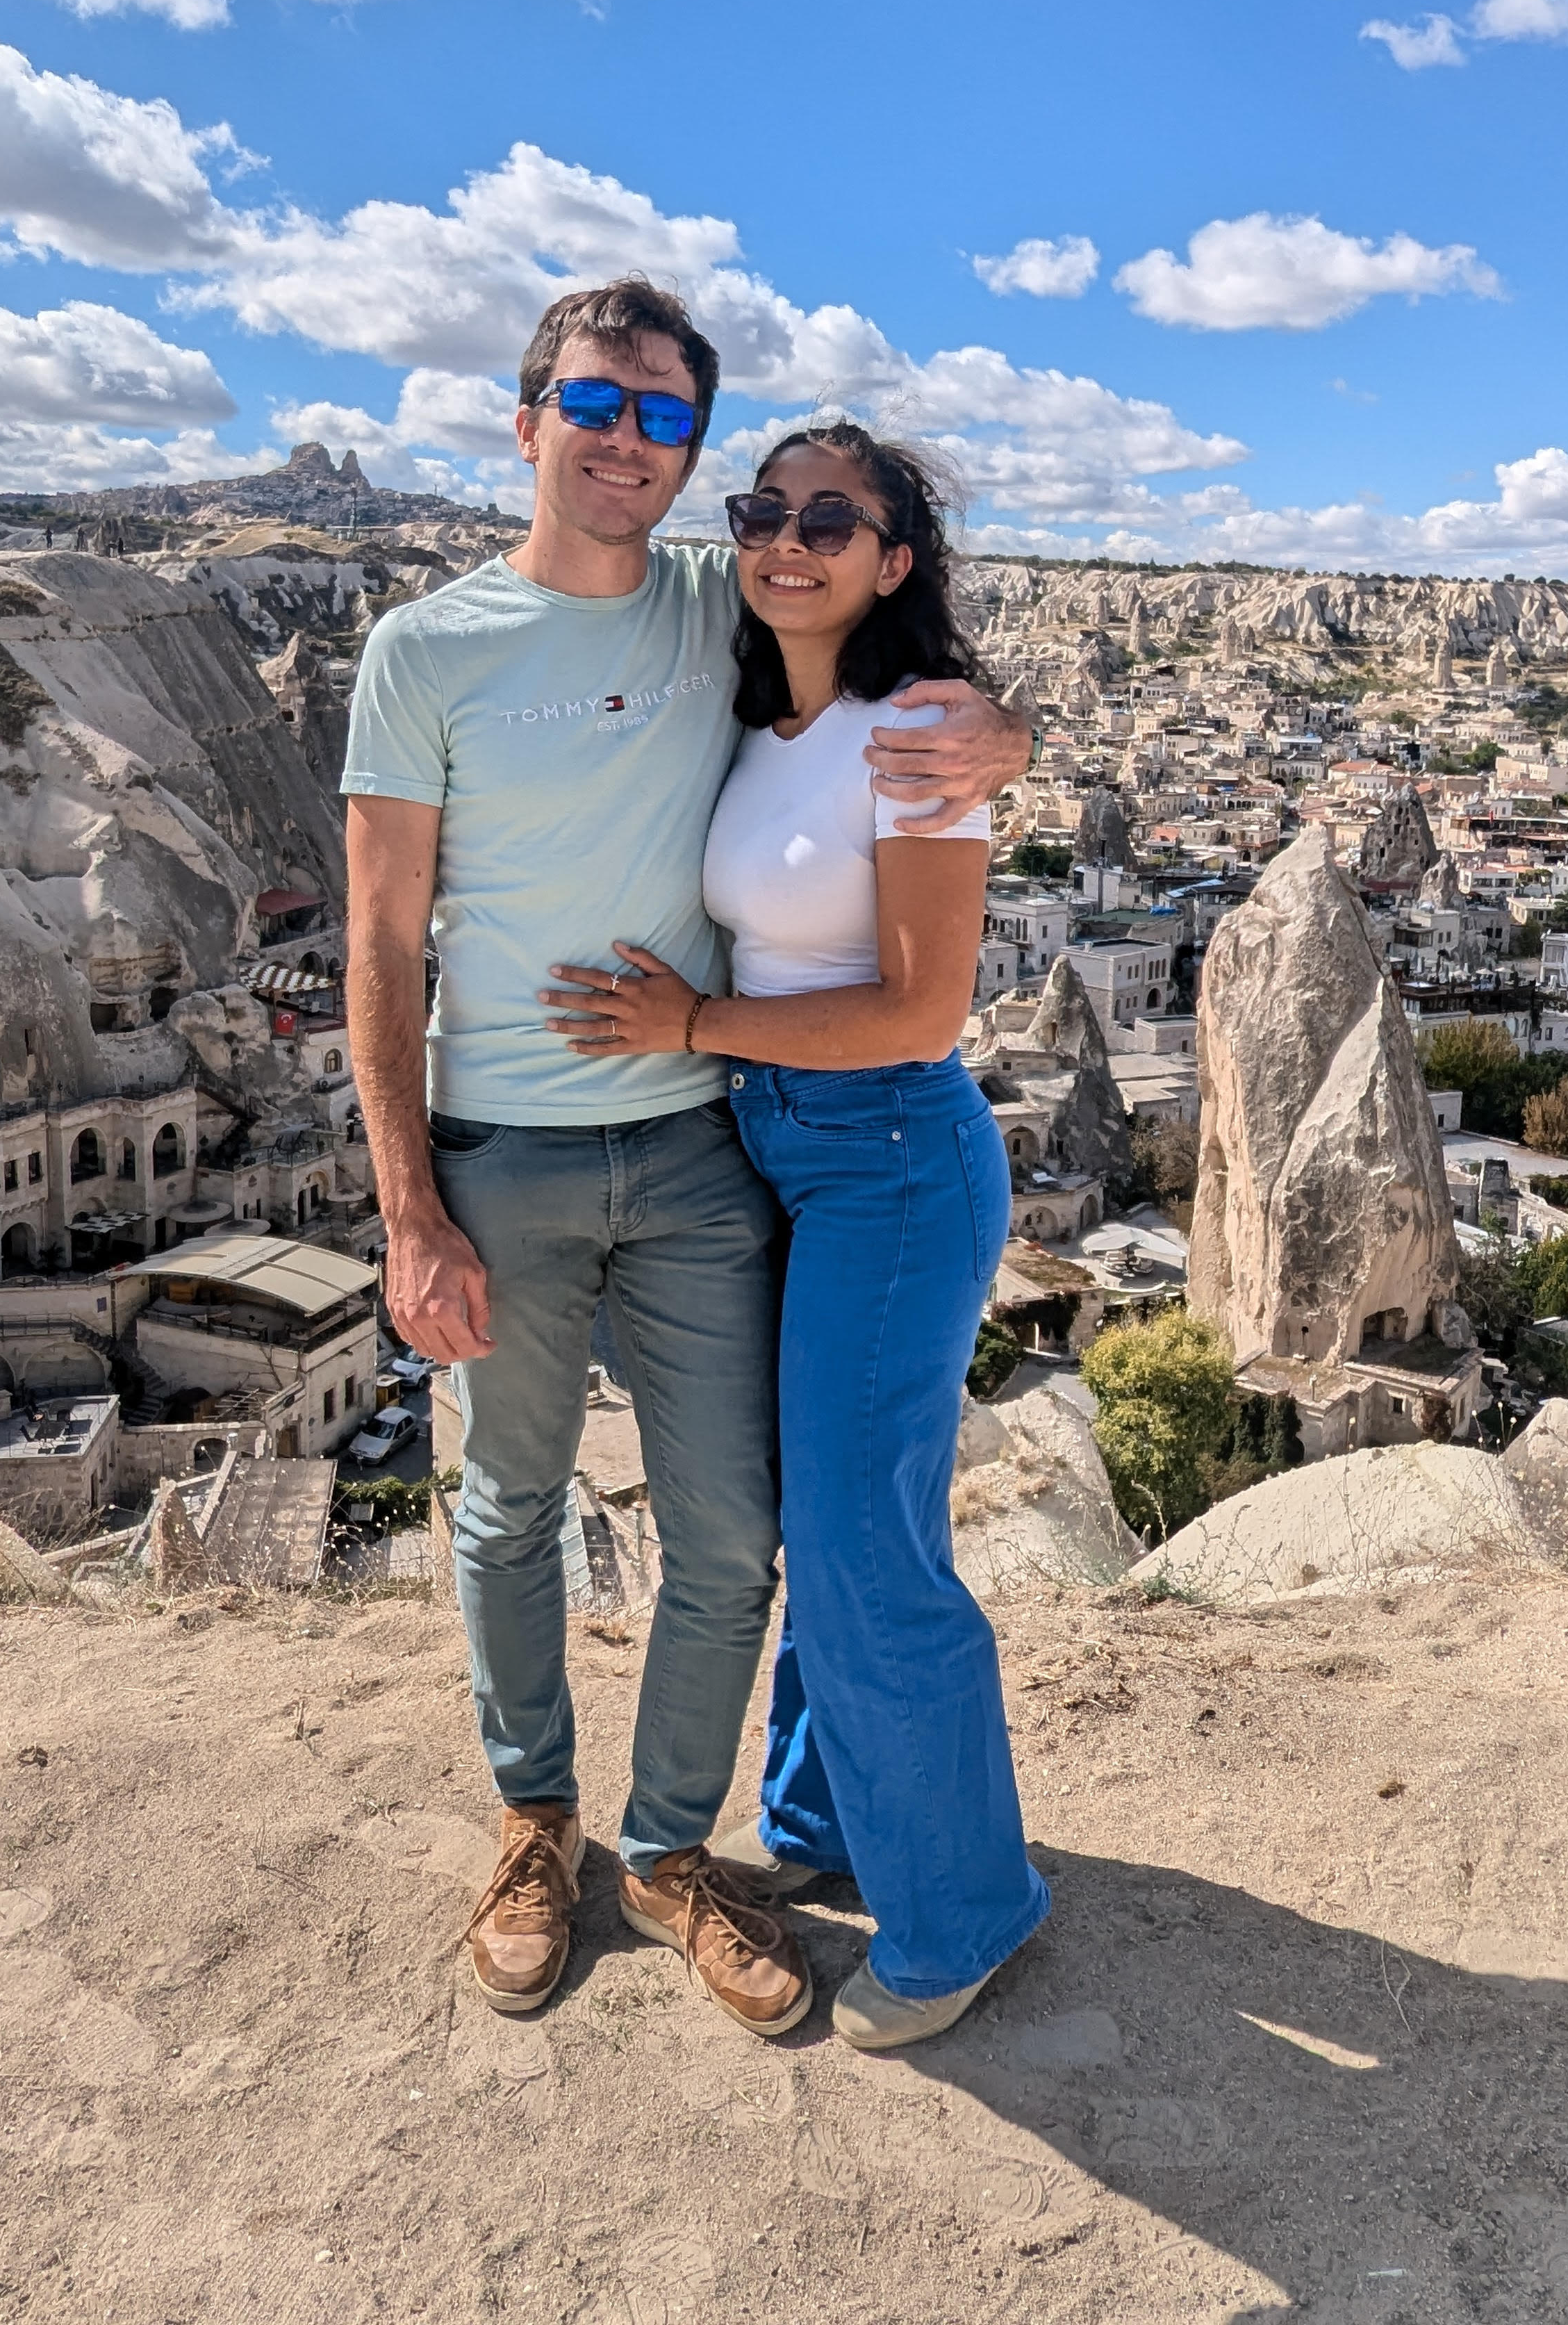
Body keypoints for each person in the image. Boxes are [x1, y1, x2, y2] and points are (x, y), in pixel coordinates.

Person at [340, 281, 1028, 2037]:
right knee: (508, 1512)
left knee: (750, 1534)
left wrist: (1004, 737)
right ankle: (533, 1822)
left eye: (667, 419)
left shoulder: (720, 609)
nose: (631, 440)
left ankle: (676, 1850)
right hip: (517, 1150)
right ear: (529, 418)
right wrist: (408, 1209)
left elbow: (913, 690)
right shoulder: (430, 649)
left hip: (720, 1149)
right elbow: (380, 941)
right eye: (599, 402)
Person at [542, 421, 1048, 2052]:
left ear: (895, 559)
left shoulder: (910, 735)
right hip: (772, 1154)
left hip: (887, 1159)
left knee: (858, 1542)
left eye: (836, 518)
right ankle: (828, 1824)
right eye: (764, 509)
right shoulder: (766, 711)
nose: (789, 537)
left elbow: (922, 1010)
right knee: (802, 1517)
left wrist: (690, 1024)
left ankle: (964, 1908)